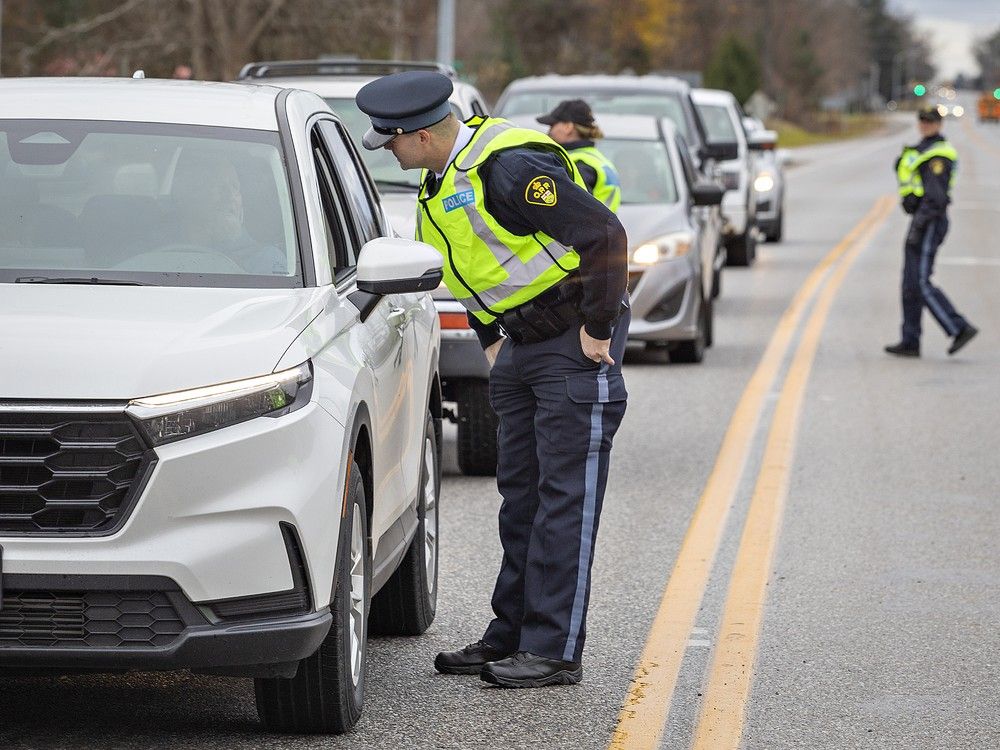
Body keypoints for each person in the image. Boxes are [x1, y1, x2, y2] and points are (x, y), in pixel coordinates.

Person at [356, 71, 629, 688]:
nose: (390, 152)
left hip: (571, 335)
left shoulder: (505, 168)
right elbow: (470, 268)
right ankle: (510, 635)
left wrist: (597, 330)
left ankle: (553, 650)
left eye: (392, 141)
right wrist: (493, 342)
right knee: (521, 499)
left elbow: (606, 235)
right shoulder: (439, 180)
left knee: (565, 500)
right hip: (521, 345)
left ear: (423, 135)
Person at [885, 106, 977, 357]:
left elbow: (935, 198)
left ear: (939, 124)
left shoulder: (938, 156)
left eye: (930, 121)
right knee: (910, 284)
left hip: (930, 220)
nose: (925, 125)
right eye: (922, 120)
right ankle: (910, 339)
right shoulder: (922, 149)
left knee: (921, 282)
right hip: (921, 219)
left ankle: (959, 327)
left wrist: (920, 224)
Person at [537, 99, 621, 212]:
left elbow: (571, 211)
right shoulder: (597, 159)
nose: (549, 131)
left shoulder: (578, 165)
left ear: (568, 127)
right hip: (603, 228)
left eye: (552, 125)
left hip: (589, 228)